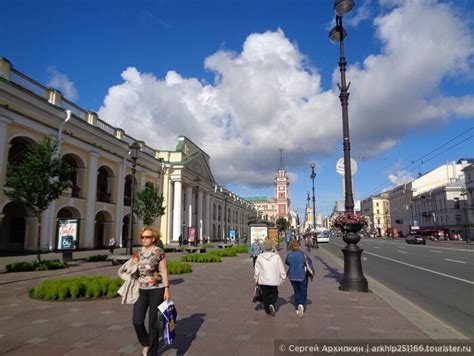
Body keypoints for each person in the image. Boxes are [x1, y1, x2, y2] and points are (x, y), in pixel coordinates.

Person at [119, 226, 170, 356]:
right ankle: (146, 343)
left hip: (156, 290)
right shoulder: (139, 252)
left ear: (153, 238)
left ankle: (152, 352)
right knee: (137, 320)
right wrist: (131, 268)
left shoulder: (159, 252)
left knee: (153, 323)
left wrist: (166, 289)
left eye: (147, 237)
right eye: (142, 237)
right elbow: (131, 266)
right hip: (141, 290)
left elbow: (163, 271)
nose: (144, 239)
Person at [254, 238, 286, 316]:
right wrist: (283, 276)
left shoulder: (260, 257)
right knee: (274, 292)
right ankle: (272, 303)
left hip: (263, 280)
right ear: (272, 247)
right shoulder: (276, 257)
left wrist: (256, 278)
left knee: (265, 295)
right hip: (274, 279)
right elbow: (281, 267)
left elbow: (257, 269)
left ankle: (267, 309)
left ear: (264, 247)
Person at [285, 239, 311, 318]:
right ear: (298, 246)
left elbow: (287, 262)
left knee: (296, 291)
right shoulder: (303, 254)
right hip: (302, 275)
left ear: (291, 247)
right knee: (303, 290)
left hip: (292, 276)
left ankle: (297, 306)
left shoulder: (289, 255)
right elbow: (308, 263)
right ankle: (301, 304)